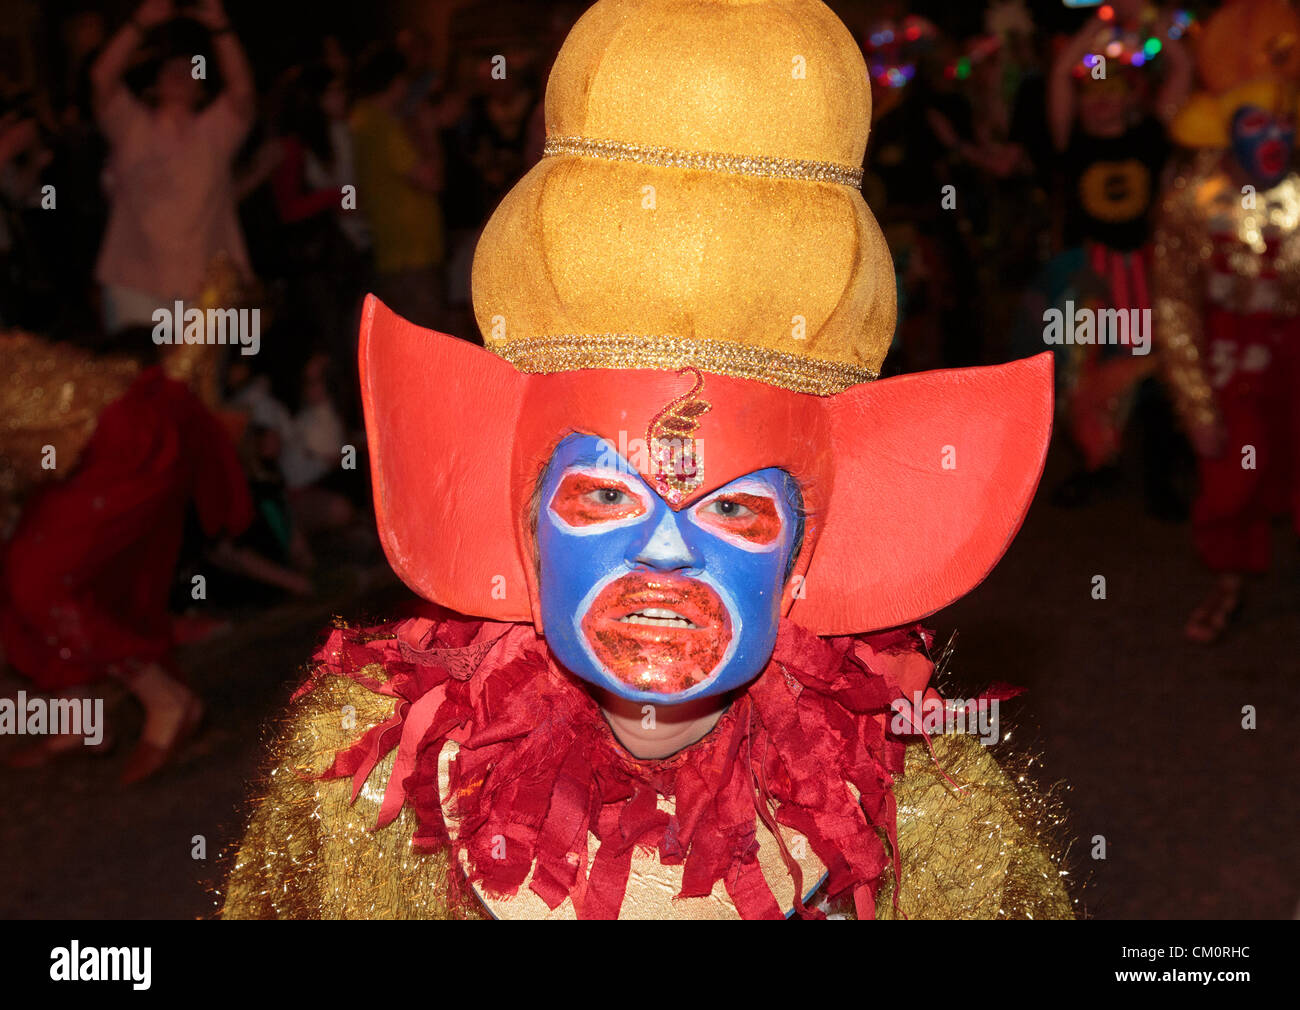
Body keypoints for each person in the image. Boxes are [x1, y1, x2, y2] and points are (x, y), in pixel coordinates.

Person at [223, 0, 1071, 920]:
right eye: (601, 496)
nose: (666, 552)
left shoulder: (924, 799)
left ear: (807, 563)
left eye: (735, 509)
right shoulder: (372, 778)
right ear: (518, 531)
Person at [0, 331, 253, 783]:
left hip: (118, 438)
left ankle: (165, 700)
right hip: (98, 438)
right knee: (25, 569)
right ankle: (78, 717)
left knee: (38, 580)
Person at [1152, 0, 1300, 643]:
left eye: (1285, 122)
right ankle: (1230, 581)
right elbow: (1175, 302)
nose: (1274, 137)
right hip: (1229, 357)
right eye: (1256, 121)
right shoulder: (1192, 195)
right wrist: (1197, 406)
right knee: (1232, 481)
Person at [90, 0, 255, 334]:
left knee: (198, 386)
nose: (180, 74)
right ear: (154, 85)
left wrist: (220, 27)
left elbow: (242, 91)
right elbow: (101, 78)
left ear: (201, 89)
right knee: (139, 382)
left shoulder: (214, 133)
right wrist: (139, 23)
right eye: (170, 69)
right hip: (133, 282)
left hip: (203, 285)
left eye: (190, 70)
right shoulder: (131, 127)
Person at [349, 46, 445, 330]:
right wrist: (429, 132)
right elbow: (430, 179)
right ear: (396, 82)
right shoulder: (383, 126)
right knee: (427, 340)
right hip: (411, 252)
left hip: (391, 247)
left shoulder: (360, 119)